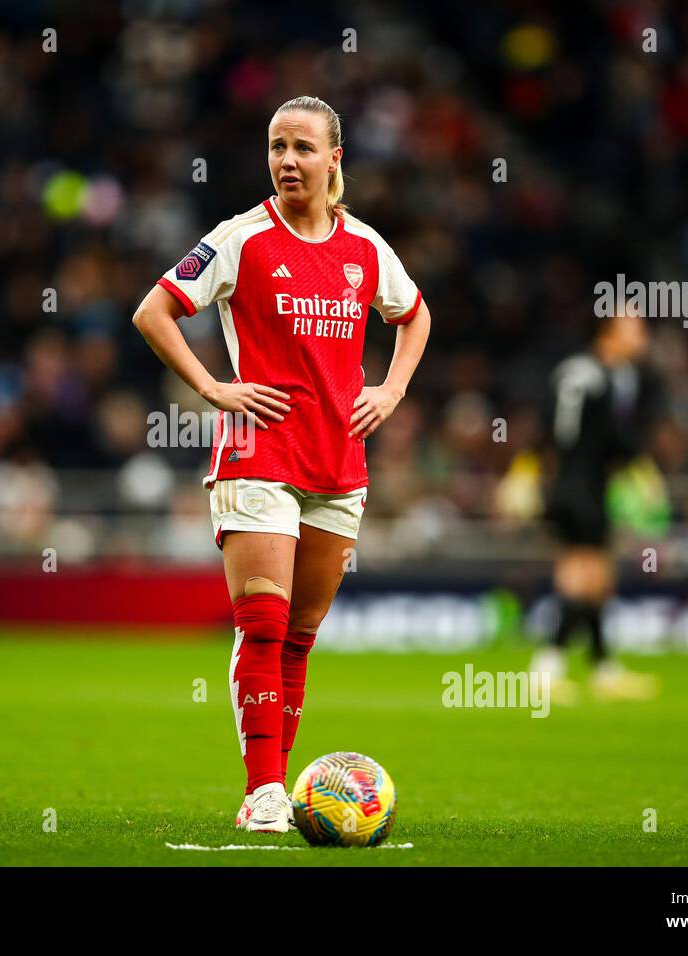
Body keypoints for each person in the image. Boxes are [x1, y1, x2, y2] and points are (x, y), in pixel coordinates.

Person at [132, 95, 432, 832]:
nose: (287, 161)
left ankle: (282, 788)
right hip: (256, 455)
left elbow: (416, 313)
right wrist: (211, 387)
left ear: (336, 159)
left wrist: (390, 390)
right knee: (261, 624)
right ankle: (263, 791)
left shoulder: (364, 248)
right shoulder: (240, 239)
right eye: (276, 147)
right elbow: (153, 311)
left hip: (338, 464)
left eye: (302, 147)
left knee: (299, 633)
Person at [530, 303, 660, 702]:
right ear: (610, 332)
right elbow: (606, 437)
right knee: (580, 575)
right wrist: (640, 464)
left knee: (599, 580)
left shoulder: (598, 373)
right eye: (634, 327)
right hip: (576, 484)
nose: (642, 336)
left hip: (583, 482)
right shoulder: (600, 375)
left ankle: (603, 667)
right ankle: (546, 669)